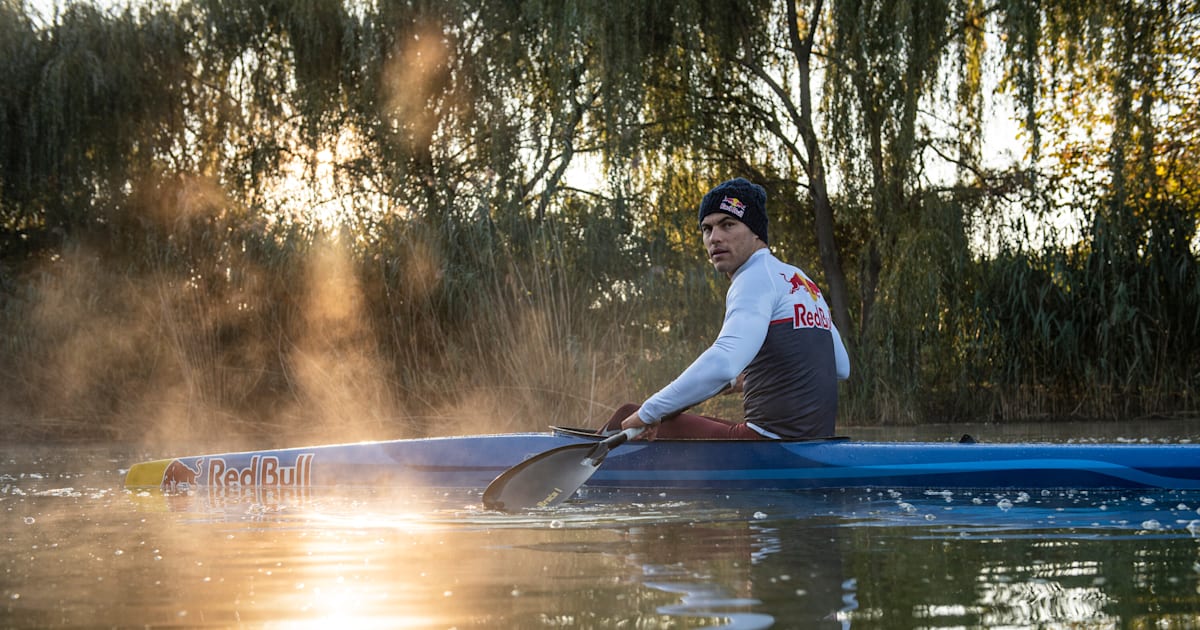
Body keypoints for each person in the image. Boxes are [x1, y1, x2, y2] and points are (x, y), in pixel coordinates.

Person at [601, 177, 850, 440]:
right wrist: (754, 377)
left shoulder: (754, 277)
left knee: (628, 414)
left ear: (756, 231)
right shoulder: (801, 282)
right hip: (813, 441)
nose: (715, 238)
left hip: (765, 445)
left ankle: (582, 461)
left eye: (728, 224)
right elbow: (840, 366)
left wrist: (649, 412)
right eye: (707, 229)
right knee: (662, 416)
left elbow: (723, 363)